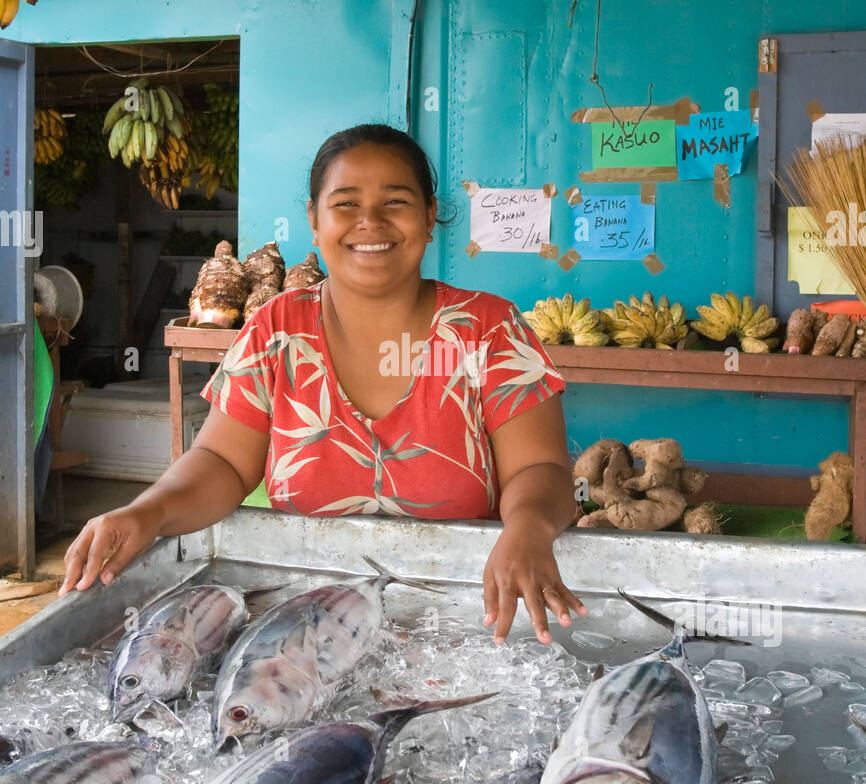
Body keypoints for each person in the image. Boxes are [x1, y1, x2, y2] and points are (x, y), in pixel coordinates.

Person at [60, 124, 585, 644]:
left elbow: (541, 469)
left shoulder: (488, 330)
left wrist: (528, 528)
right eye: (346, 204)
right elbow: (221, 462)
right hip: (304, 634)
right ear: (315, 221)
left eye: (395, 202)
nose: (371, 222)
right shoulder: (275, 331)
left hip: (466, 623)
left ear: (429, 218)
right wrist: (145, 511)